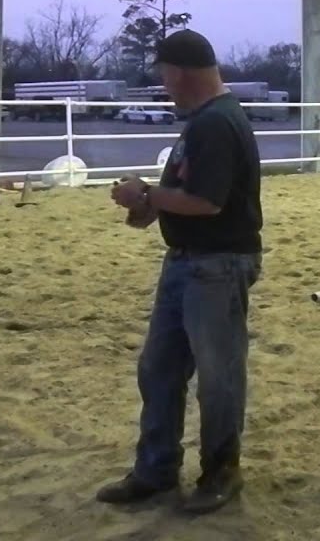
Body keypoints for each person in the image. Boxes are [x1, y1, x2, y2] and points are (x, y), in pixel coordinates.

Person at [99, 29, 263, 514]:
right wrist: (155, 203)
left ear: (181, 72)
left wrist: (146, 196)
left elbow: (208, 202)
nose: (164, 85)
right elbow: (194, 193)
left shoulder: (215, 123)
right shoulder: (208, 120)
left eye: (165, 75)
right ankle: (156, 469)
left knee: (217, 374)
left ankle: (220, 471)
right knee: (160, 367)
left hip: (215, 263)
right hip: (193, 261)